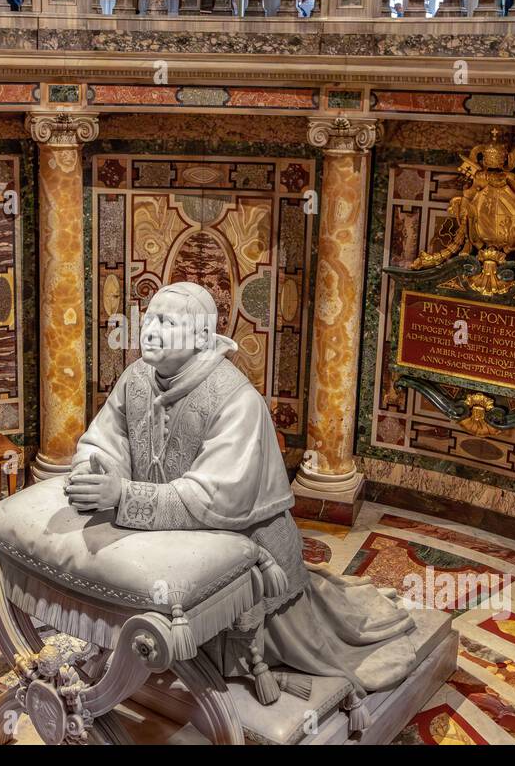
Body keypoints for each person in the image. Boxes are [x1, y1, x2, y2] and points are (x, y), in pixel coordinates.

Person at [65, 282, 418, 726]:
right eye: (148, 319)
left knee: (295, 643)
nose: (149, 332)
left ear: (199, 337)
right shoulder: (137, 378)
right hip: (163, 543)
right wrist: (94, 470)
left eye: (166, 323)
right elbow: (106, 438)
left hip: (241, 546)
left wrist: (124, 496)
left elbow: (214, 497)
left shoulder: (236, 400)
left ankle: (225, 662)